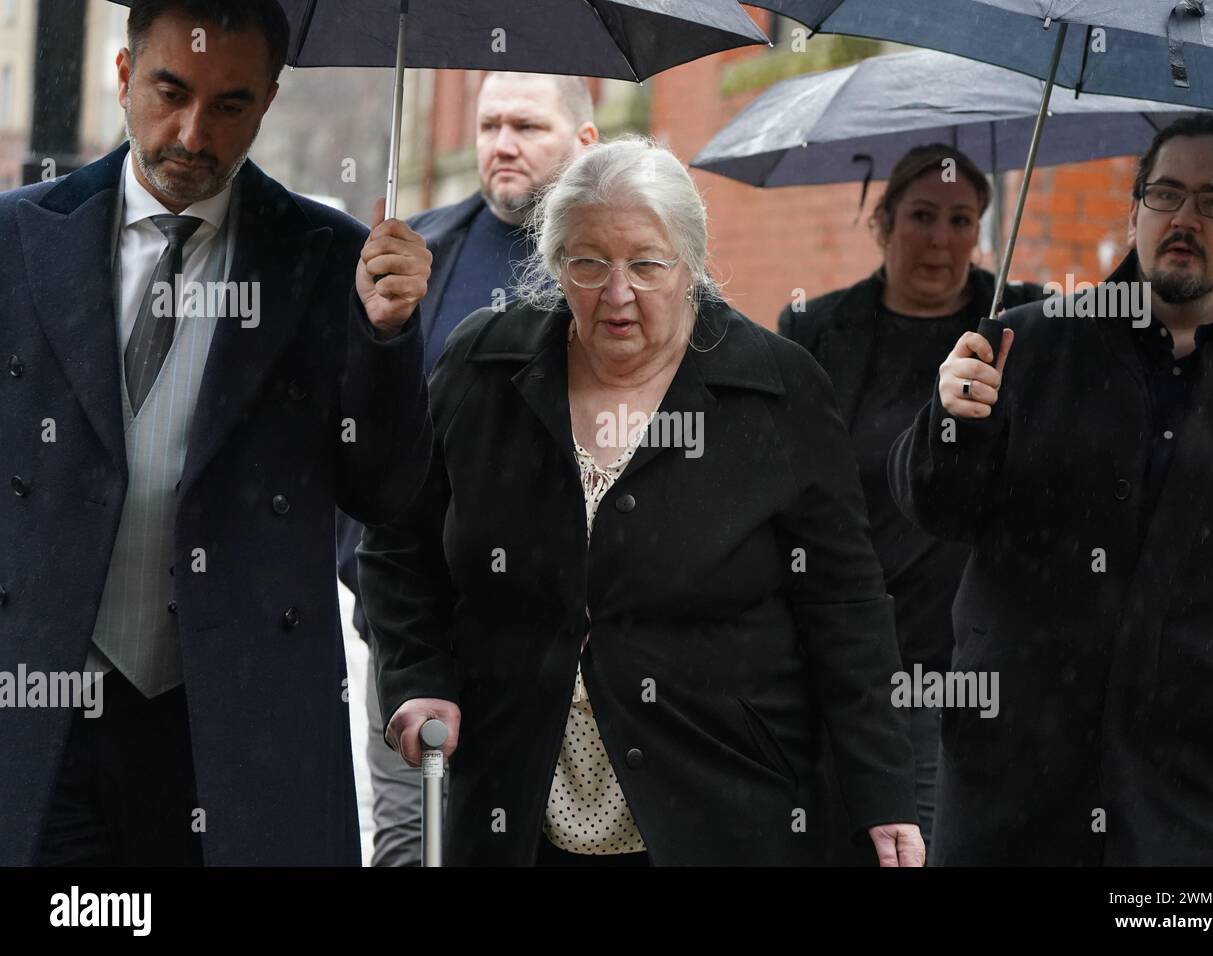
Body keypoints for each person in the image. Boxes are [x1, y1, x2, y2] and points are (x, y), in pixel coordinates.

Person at [358, 137, 924, 866]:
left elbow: (846, 606)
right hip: (515, 794)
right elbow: (399, 539)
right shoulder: (483, 364)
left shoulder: (777, 389)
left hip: (720, 804)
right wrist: (417, 680)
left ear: (691, 266)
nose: (617, 294)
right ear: (555, 264)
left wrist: (882, 796)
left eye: (647, 264)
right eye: (588, 263)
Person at [0, 0, 433, 866]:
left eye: (230, 104)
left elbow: (383, 491)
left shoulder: (329, 258)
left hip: (236, 723)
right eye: (171, 91)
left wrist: (388, 340)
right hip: (43, 706)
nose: (194, 133)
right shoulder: (16, 238)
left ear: (268, 101)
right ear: (123, 77)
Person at [890, 115, 1213, 865]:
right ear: (1135, 210)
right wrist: (951, 418)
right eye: (1165, 194)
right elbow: (935, 506)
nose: (1183, 218)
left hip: (1210, 810)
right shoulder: (1028, 342)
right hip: (1014, 791)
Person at [335, 71, 598, 867]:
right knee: (412, 841)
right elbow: (357, 422)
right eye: (488, 127)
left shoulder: (608, 267)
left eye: (526, 125)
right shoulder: (413, 255)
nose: (502, 145)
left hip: (557, 644)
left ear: (586, 142)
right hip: (415, 624)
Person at [780, 144, 1043, 850]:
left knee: (920, 839)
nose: (940, 238)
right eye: (922, 215)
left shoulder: (1025, 326)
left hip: (958, 653)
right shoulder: (814, 332)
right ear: (882, 222)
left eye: (962, 219)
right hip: (840, 647)